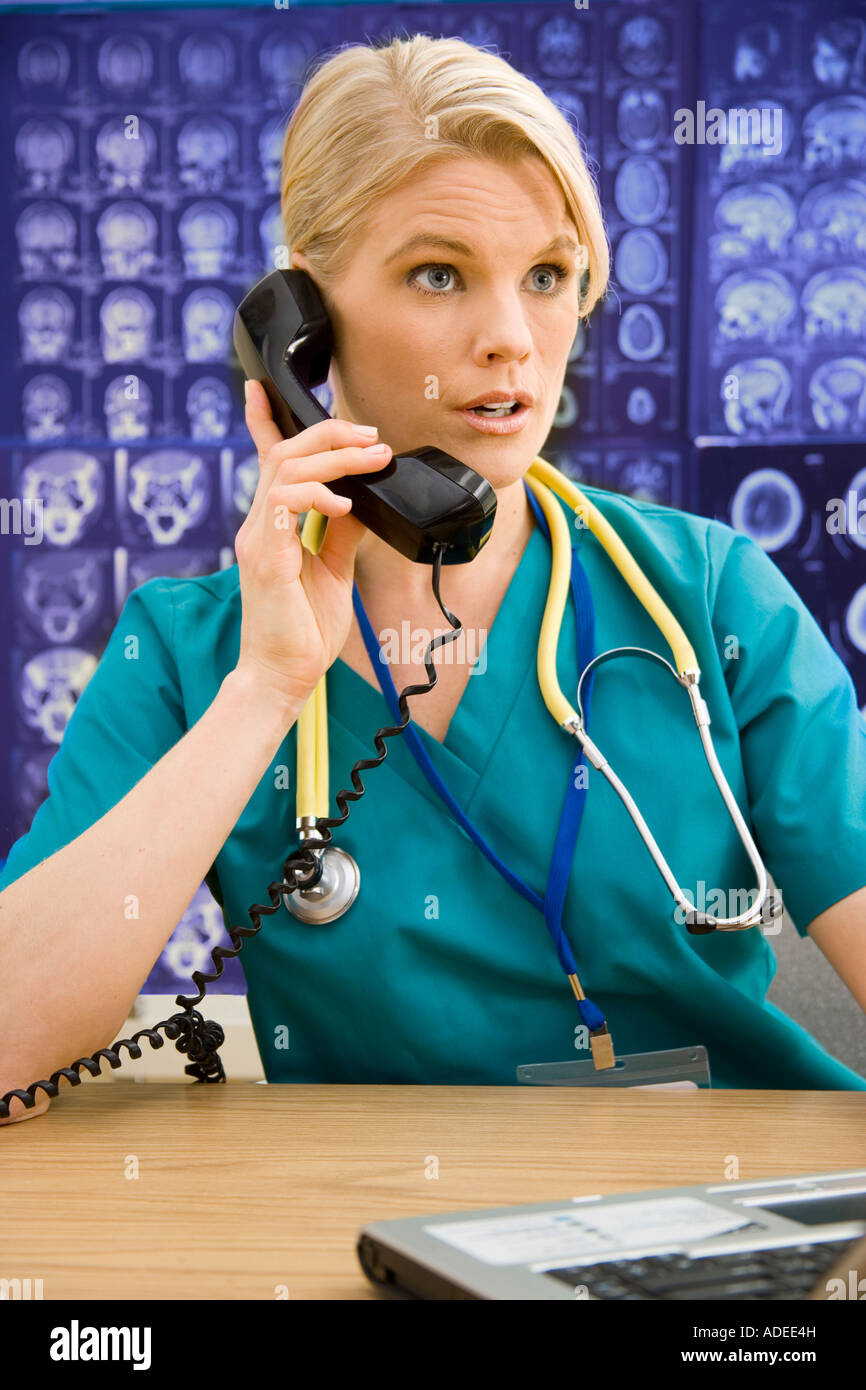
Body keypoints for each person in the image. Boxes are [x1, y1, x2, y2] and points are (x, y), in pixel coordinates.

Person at [2, 36, 865, 1125]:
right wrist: (268, 686)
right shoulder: (183, 656)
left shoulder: (706, 597)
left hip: (729, 1233)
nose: (510, 338)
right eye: (438, 273)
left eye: (547, 276)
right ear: (299, 327)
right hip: (377, 1251)